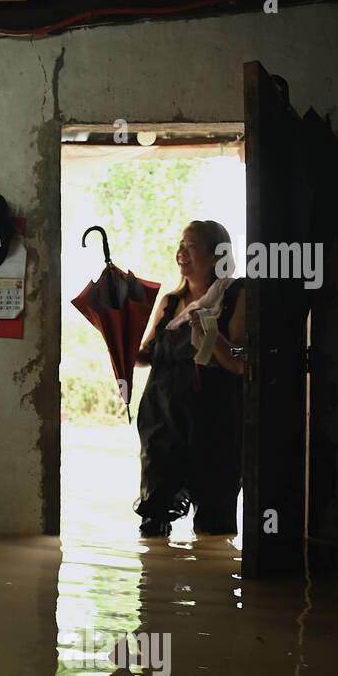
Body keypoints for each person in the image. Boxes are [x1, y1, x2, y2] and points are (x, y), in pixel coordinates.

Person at [134, 220, 245, 537]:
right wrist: (118, 337)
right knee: (154, 519)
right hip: (162, 420)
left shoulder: (236, 295)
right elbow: (147, 355)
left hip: (214, 422)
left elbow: (238, 363)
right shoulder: (170, 303)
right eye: (180, 245)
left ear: (215, 255)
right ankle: (154, 580)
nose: (181, 253)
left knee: (214, 523)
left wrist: (210, 330)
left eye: (191, 246)